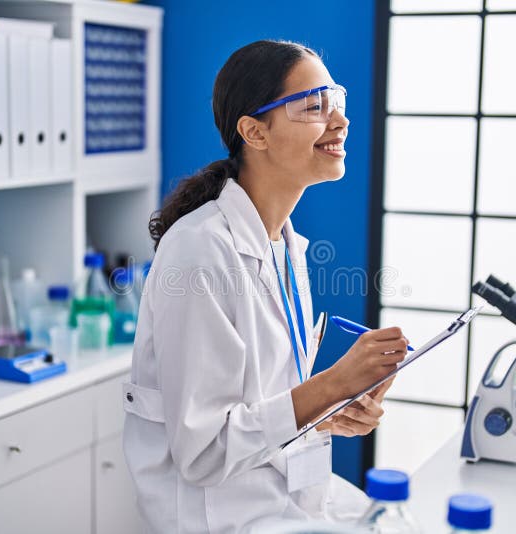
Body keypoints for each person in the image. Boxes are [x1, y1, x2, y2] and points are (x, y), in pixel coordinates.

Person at [122, 39, 409, 533]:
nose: (340, 121)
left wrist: (326, 410)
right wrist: (332, 384)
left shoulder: (284, 245)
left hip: (283, 496)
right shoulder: (199, 252)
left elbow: (260, 405)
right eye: (314, 107)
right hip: (220, 517)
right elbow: (205, 451)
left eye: (336, 102)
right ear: (255, 132)